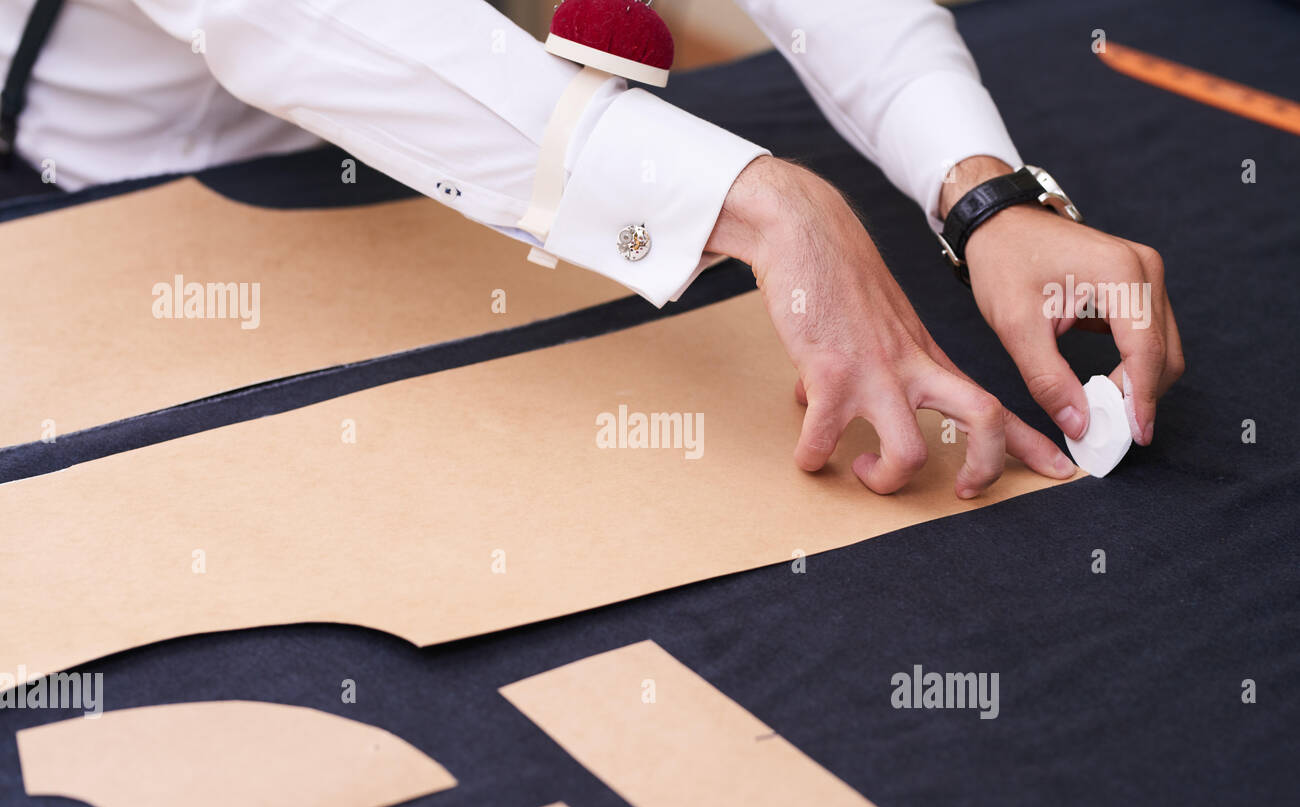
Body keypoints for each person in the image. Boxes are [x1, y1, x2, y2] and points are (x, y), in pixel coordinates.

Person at [0, 0, 1183, 497]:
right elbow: (306, 21)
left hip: (464, 169)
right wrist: (764, 204)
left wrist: (982, 193)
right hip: (108, 199)